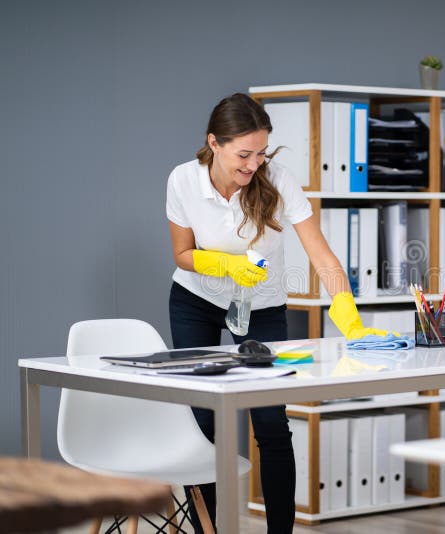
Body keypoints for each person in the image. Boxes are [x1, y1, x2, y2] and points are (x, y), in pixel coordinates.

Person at [166, 93, 389, 533]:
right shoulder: (183, 180)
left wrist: (352, 322)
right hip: (197, 302)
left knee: (270, 423)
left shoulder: (279, 181)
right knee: (203, 424)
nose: (253, 165)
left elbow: (322, 257)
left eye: (261, 152)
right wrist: (224, 263)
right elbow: (181, 254)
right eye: (243, 154)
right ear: (214, 142)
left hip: (263, 307)